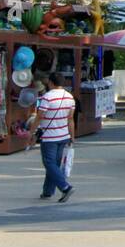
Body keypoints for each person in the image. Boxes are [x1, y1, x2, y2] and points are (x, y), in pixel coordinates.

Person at [26, 73, 76, 202]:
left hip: (49, 137)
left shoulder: (47, 97)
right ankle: (47, 191)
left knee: (49, 163)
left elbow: (39, 117)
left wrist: (31, 132)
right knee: (54, 164)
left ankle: (65, 187)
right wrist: (72, 136)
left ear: (50, 83)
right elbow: (70, 119)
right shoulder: (70, 97)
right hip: (64, 135)